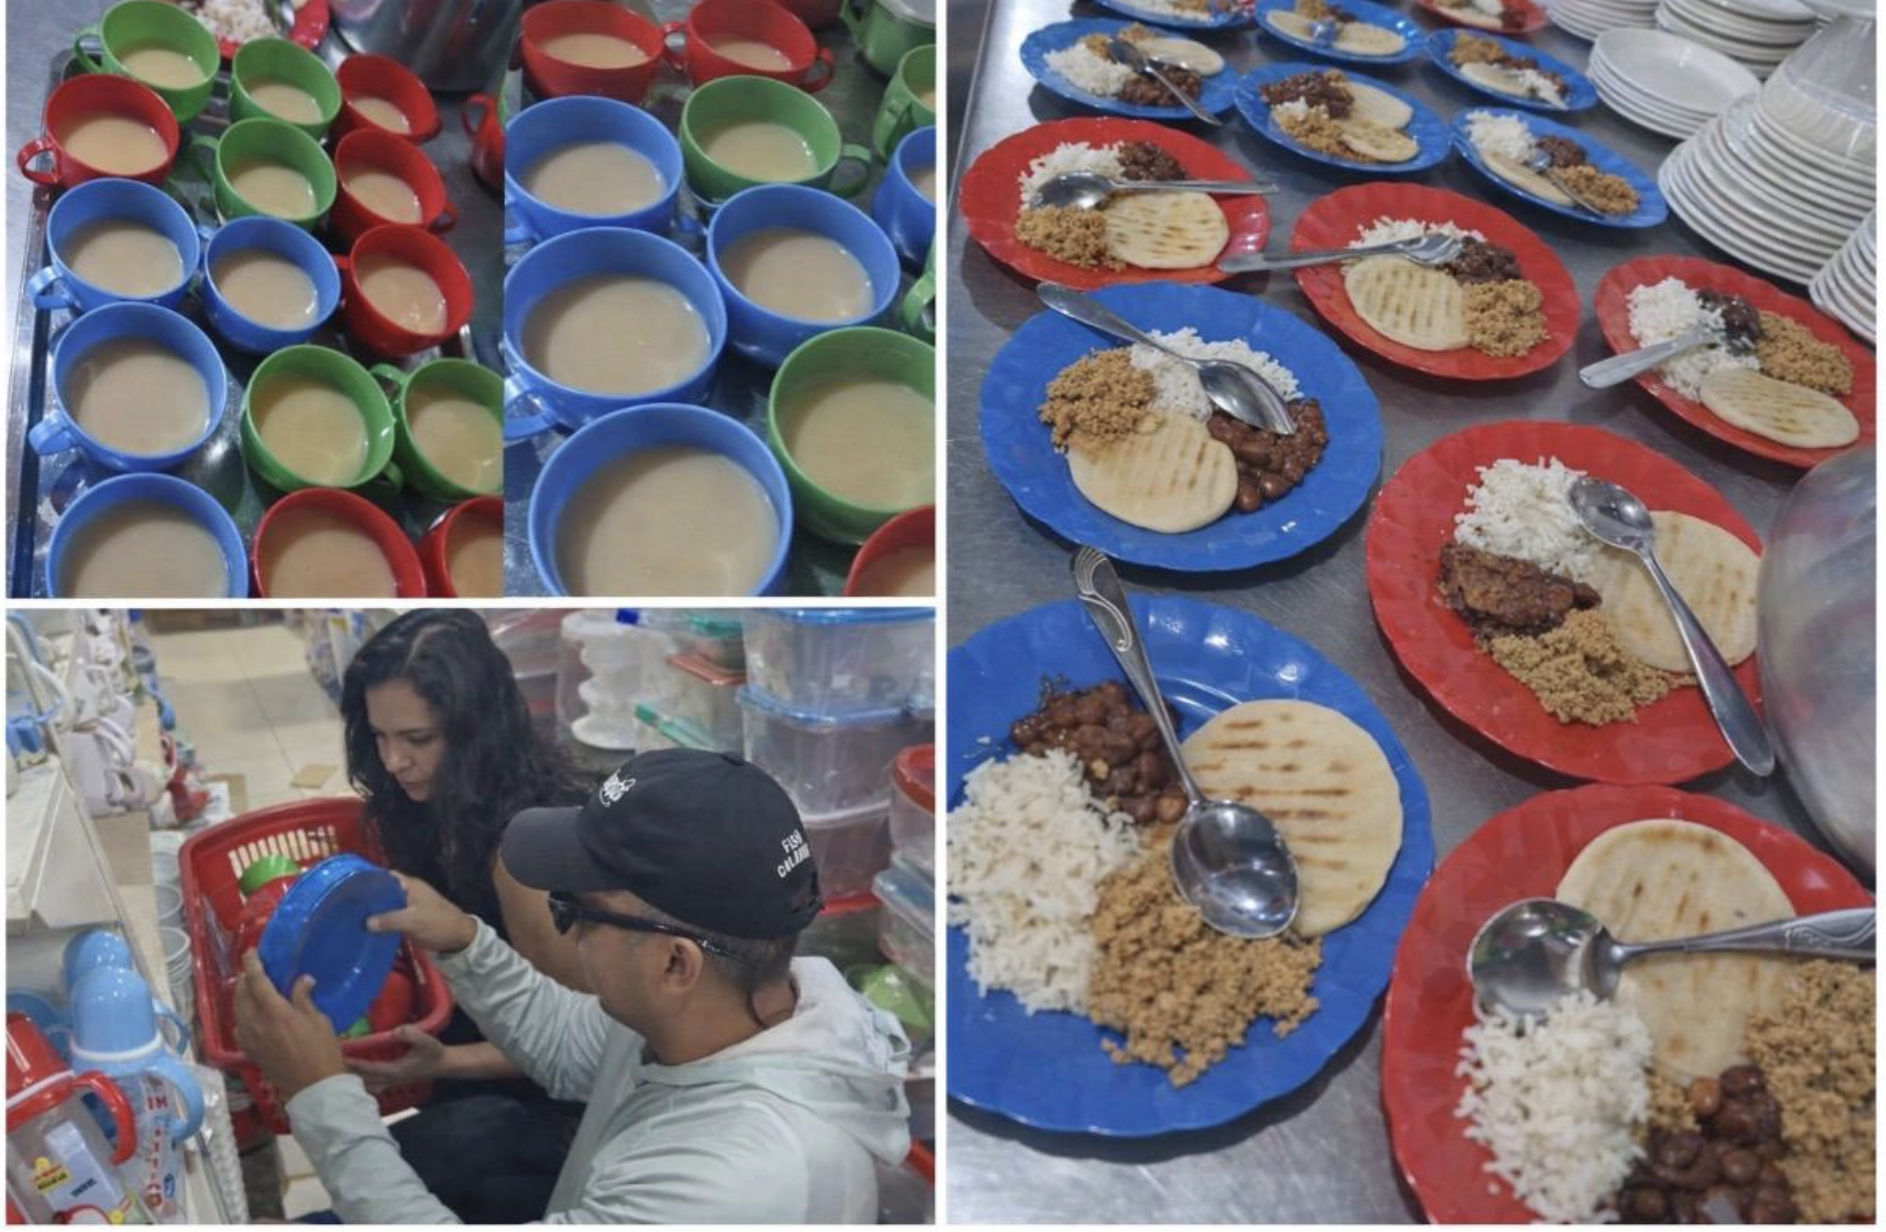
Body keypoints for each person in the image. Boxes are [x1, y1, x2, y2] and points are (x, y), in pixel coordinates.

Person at [234, 748, 912, 1224]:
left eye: (574, 912)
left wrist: (322, 1099)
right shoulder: (736, 1014)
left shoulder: (737, 1182)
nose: (568, 935)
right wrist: (465, 941)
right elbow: (571, 1044)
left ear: (676, 963)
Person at [334, 610, 593, 1221]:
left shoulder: (522, 852)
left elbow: (584, 1046)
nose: (394, 761)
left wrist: (447, 1062)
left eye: (417, 739)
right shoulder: (422, 802)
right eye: (379, 737)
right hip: (466, 1048)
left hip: (543, 1106)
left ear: (475, 731)